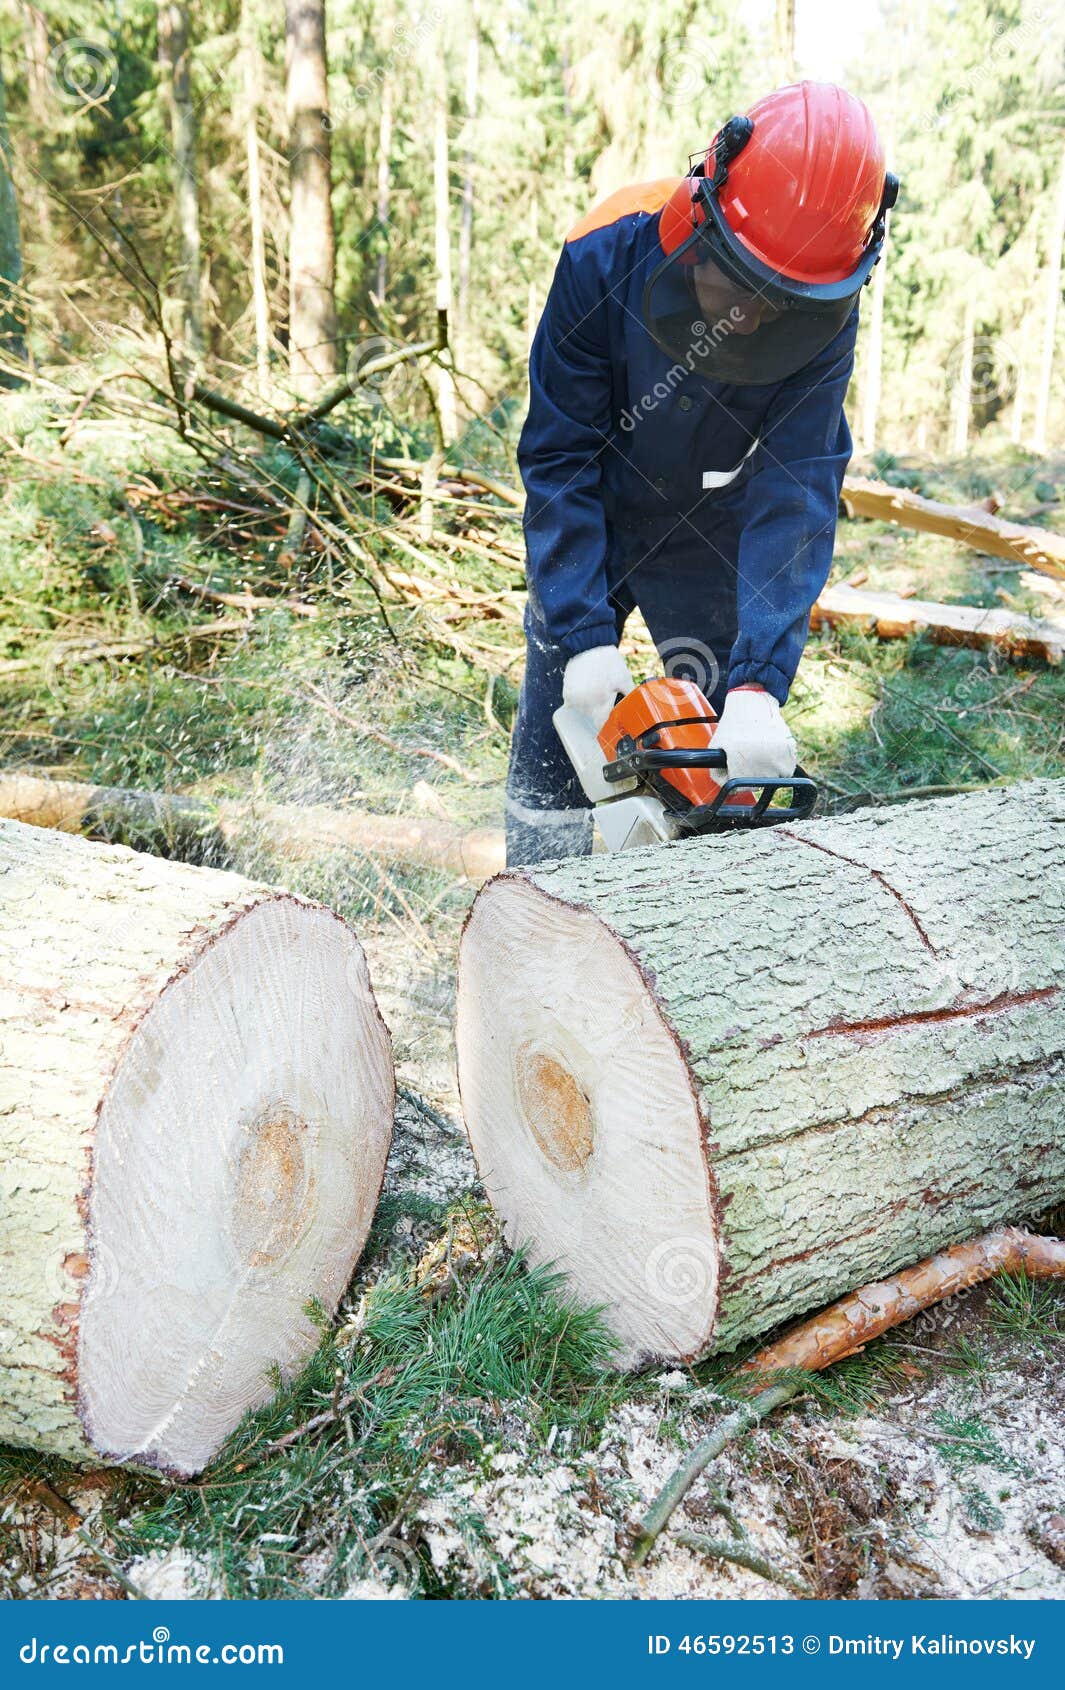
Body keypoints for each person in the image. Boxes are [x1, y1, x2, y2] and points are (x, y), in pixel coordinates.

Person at [506, 80, 898, 865]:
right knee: (557, 728)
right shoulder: (603, 252)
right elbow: (559, 455)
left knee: (719, 771)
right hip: (596, 513)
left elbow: (797, 483)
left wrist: (758, 680)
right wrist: (583, 631)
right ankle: (530, 903)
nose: (749, 315)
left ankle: (700, 936)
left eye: (779, 300)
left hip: (709, 522)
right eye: (736, 280)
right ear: (701, 213)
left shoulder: (826, 302)